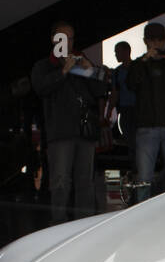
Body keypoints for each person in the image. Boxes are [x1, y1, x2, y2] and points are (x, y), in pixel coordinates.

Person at [30, 20, 109, 222]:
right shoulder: (44, 65)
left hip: (85, 130)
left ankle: (84, 225)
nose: (67, 42)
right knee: (60, 182)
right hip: (60, 132)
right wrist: (63, 71)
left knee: (85, 182)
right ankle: (58, 223)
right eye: (62, 38)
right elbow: (41, 88)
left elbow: (100, 92)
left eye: (70, 38)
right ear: (53, 39)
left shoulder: (81, 61)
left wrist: (90, 70)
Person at [126, 22, 165, 203]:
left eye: (160, 40)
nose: (157, 44)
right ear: (145, 41)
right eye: (152, 40)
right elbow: (130, 85)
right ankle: (141, 217)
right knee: (144, 179)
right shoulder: (139, 64)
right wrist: (144, 60)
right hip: (147, 127)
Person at [107, 41, 136, 151]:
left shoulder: (136, 69)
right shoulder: (117, 72)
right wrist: (109, 111)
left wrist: (109, 111)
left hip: (137, 110)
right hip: (125, 111)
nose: (116, 55)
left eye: (117, 52)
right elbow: (115, 93)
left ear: (126, 51)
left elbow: (115, 93)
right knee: (132, 141)